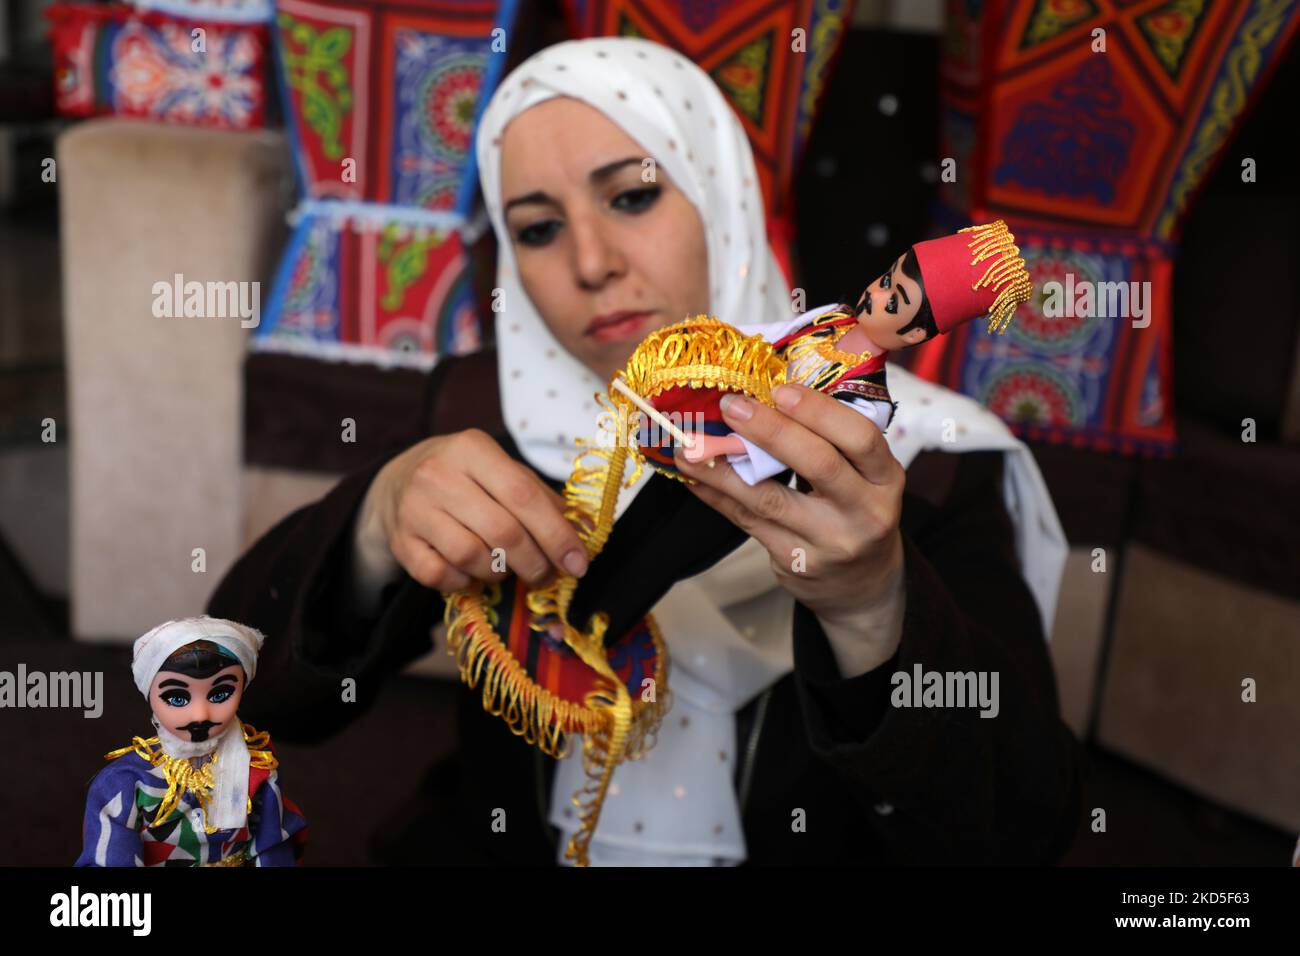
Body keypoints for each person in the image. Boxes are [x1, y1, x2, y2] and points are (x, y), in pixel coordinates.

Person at [208, 36, 1082, 865]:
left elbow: (1013, 832)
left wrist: (870, 607)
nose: (591, 262)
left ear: (722, 196)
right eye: (538, 229)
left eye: (633, 196)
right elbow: (248, 692)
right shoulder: (484, 412)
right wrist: (374, 521)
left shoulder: (934, 457)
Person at [75, 616, 308, 867]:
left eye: (220, 693)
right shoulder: (126, 782)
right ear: (149, 694)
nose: (200, 714)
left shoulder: (257, 765)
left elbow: (272, 846)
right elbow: (109, 859)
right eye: (177, 697)